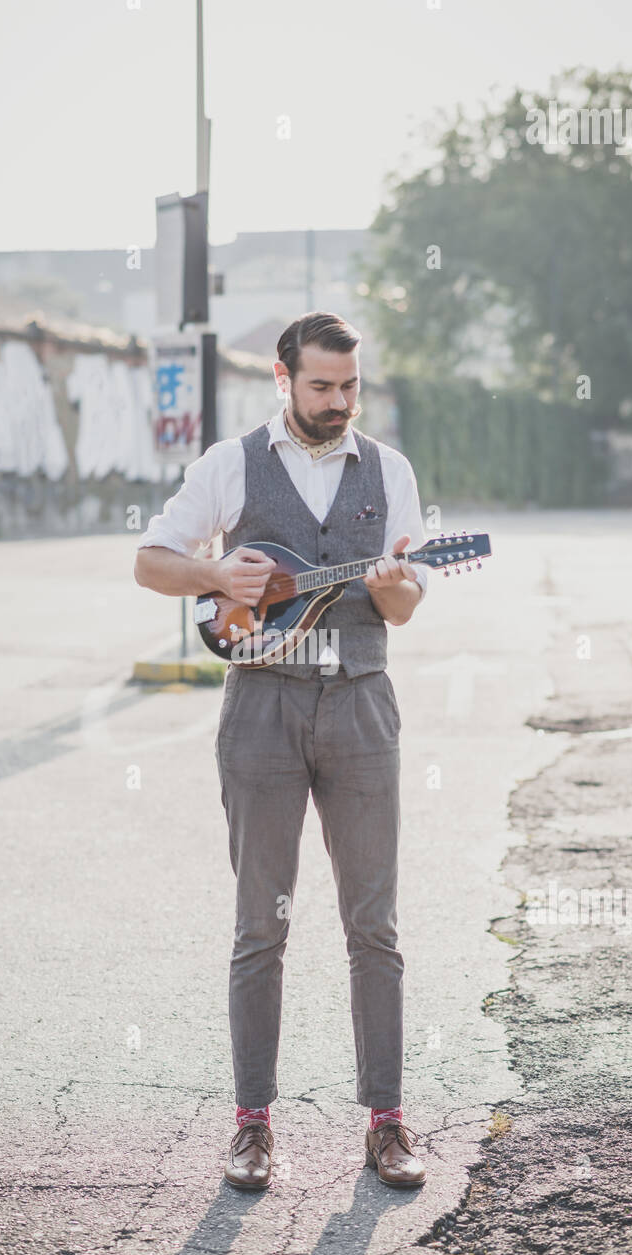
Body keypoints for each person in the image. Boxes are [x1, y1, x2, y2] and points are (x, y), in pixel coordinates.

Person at [133, 311, 429, 1190]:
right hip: (259, 709)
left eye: (350, 388)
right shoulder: (230, 465)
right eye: (321, 387)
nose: (338, 403)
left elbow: (408, 605)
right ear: (282, 378)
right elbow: (151, 561)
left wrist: (393, 587)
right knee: (260, 925)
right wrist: (217, 575)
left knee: (372, 926)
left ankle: (386, 1124)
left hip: (362, 707)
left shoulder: (390, 472)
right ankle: (252, 1126)